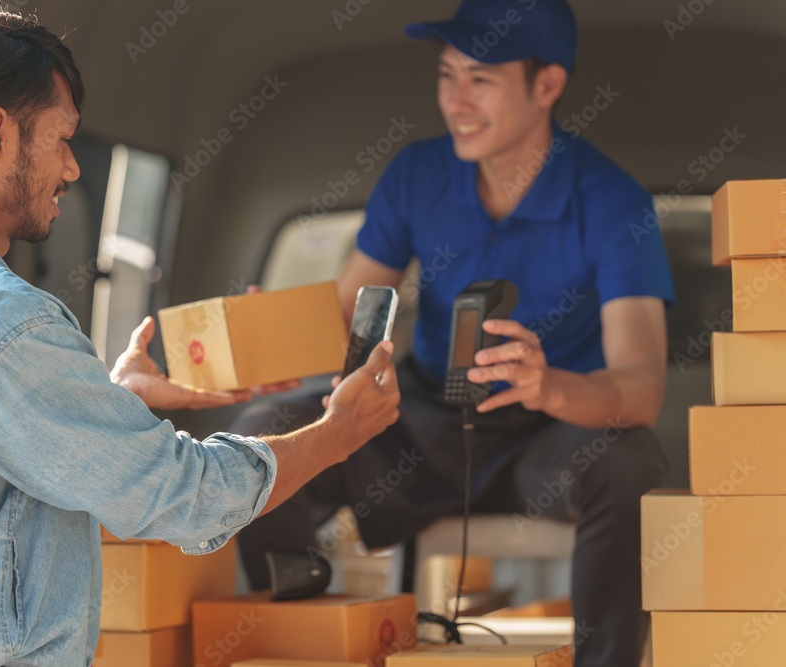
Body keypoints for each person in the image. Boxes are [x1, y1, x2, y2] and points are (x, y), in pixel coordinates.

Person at [0, 5, 400, 665]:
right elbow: (191, 498)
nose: (73, 168)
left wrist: (108, 399)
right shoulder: (4, 324)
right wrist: (337, 433)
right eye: (62, 138)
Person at [234, 1, 675, 666]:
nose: (456, 102)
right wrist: (279, 343)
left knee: (628, 461)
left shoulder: (614, 202)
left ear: (547, 85)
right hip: (420, 430)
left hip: (547, 438)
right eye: (447, 76)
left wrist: (549, 384)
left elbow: (640, 389)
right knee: (265, 428)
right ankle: (300, 635)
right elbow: (347, 316)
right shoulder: (417, 175)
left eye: (482, 79)